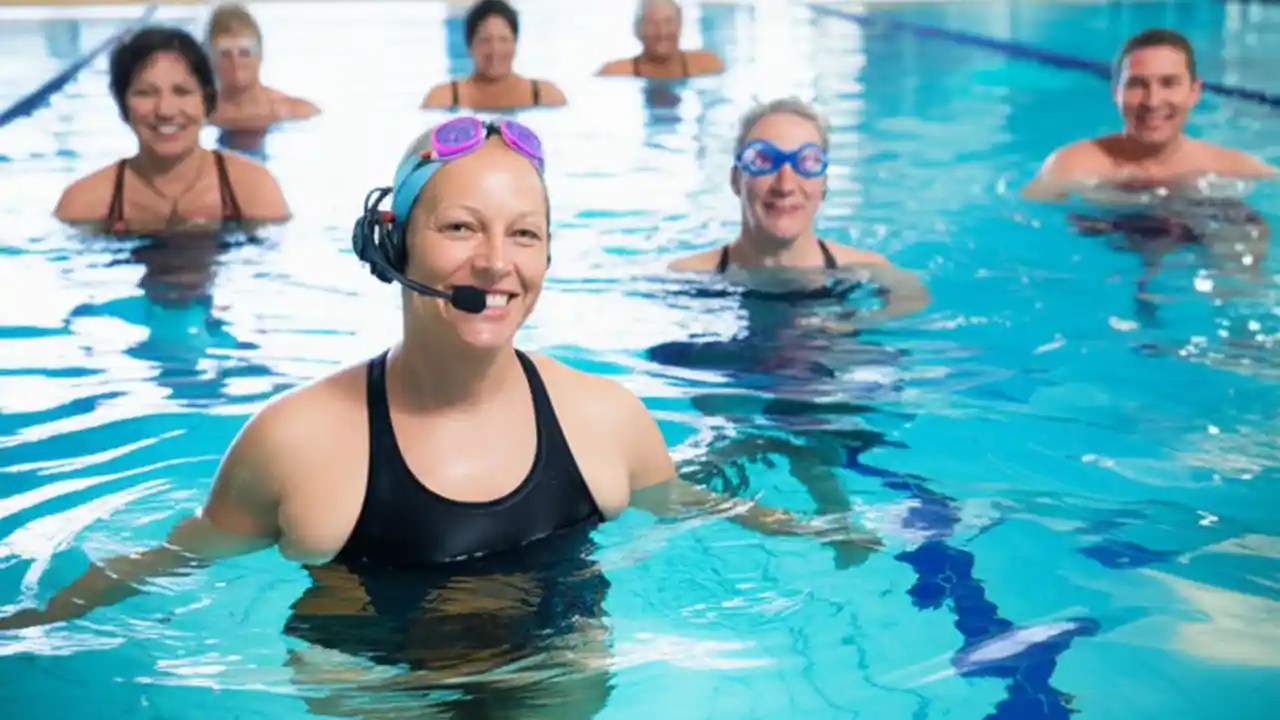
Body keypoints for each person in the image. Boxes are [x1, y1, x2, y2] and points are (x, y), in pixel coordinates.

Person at [5, 116, 878, 715]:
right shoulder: (297, 441)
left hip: (555, 654)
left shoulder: (602, 419)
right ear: (396, 242)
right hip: (370, 670)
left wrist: (818, 531)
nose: (496, 264)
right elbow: (178, 555)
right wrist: (37, 625)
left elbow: (681, 501)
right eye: (462, 227)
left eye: (525, 234)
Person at [669, 96, 930, 324]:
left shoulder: (868, 269)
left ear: (824, 185)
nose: (785, 184)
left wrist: (858, 324)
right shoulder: (687, 275)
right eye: (764, 160)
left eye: (807, 162)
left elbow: (913, 299)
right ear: (736, 180)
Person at [53, 26, 289, 235]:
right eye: (146, 92)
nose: (165, 110)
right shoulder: (85, 203)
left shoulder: (253, 190)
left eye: (182, 91)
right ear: (123, 105)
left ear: (206, 101)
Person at [1022, 28, 1276, 200]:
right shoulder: (1073, 166)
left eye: (1168, 83)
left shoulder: (1230, 168)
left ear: (1194, 92)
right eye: (1137, 85)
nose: (1153, 101)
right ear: (1116, 93)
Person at [421, 0, 566, 110]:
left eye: (503, 40)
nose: (495, 50)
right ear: (469, 45)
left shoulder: (546, 96)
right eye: (485, 40)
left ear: (515, 44)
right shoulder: (443, 98)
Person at [204, 3, 320, 131]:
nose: (235, 62)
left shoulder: (296, 111)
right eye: (225, 54)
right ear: (210, 60)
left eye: (244, 52)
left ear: (259, 55)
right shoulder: (200, 115)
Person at [597, 0, 724, 79]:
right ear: (638, 30)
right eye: (652, 24)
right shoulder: (617, 73)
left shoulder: (707, 65)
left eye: (668, 22)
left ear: (680, 25)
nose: (662, 32)